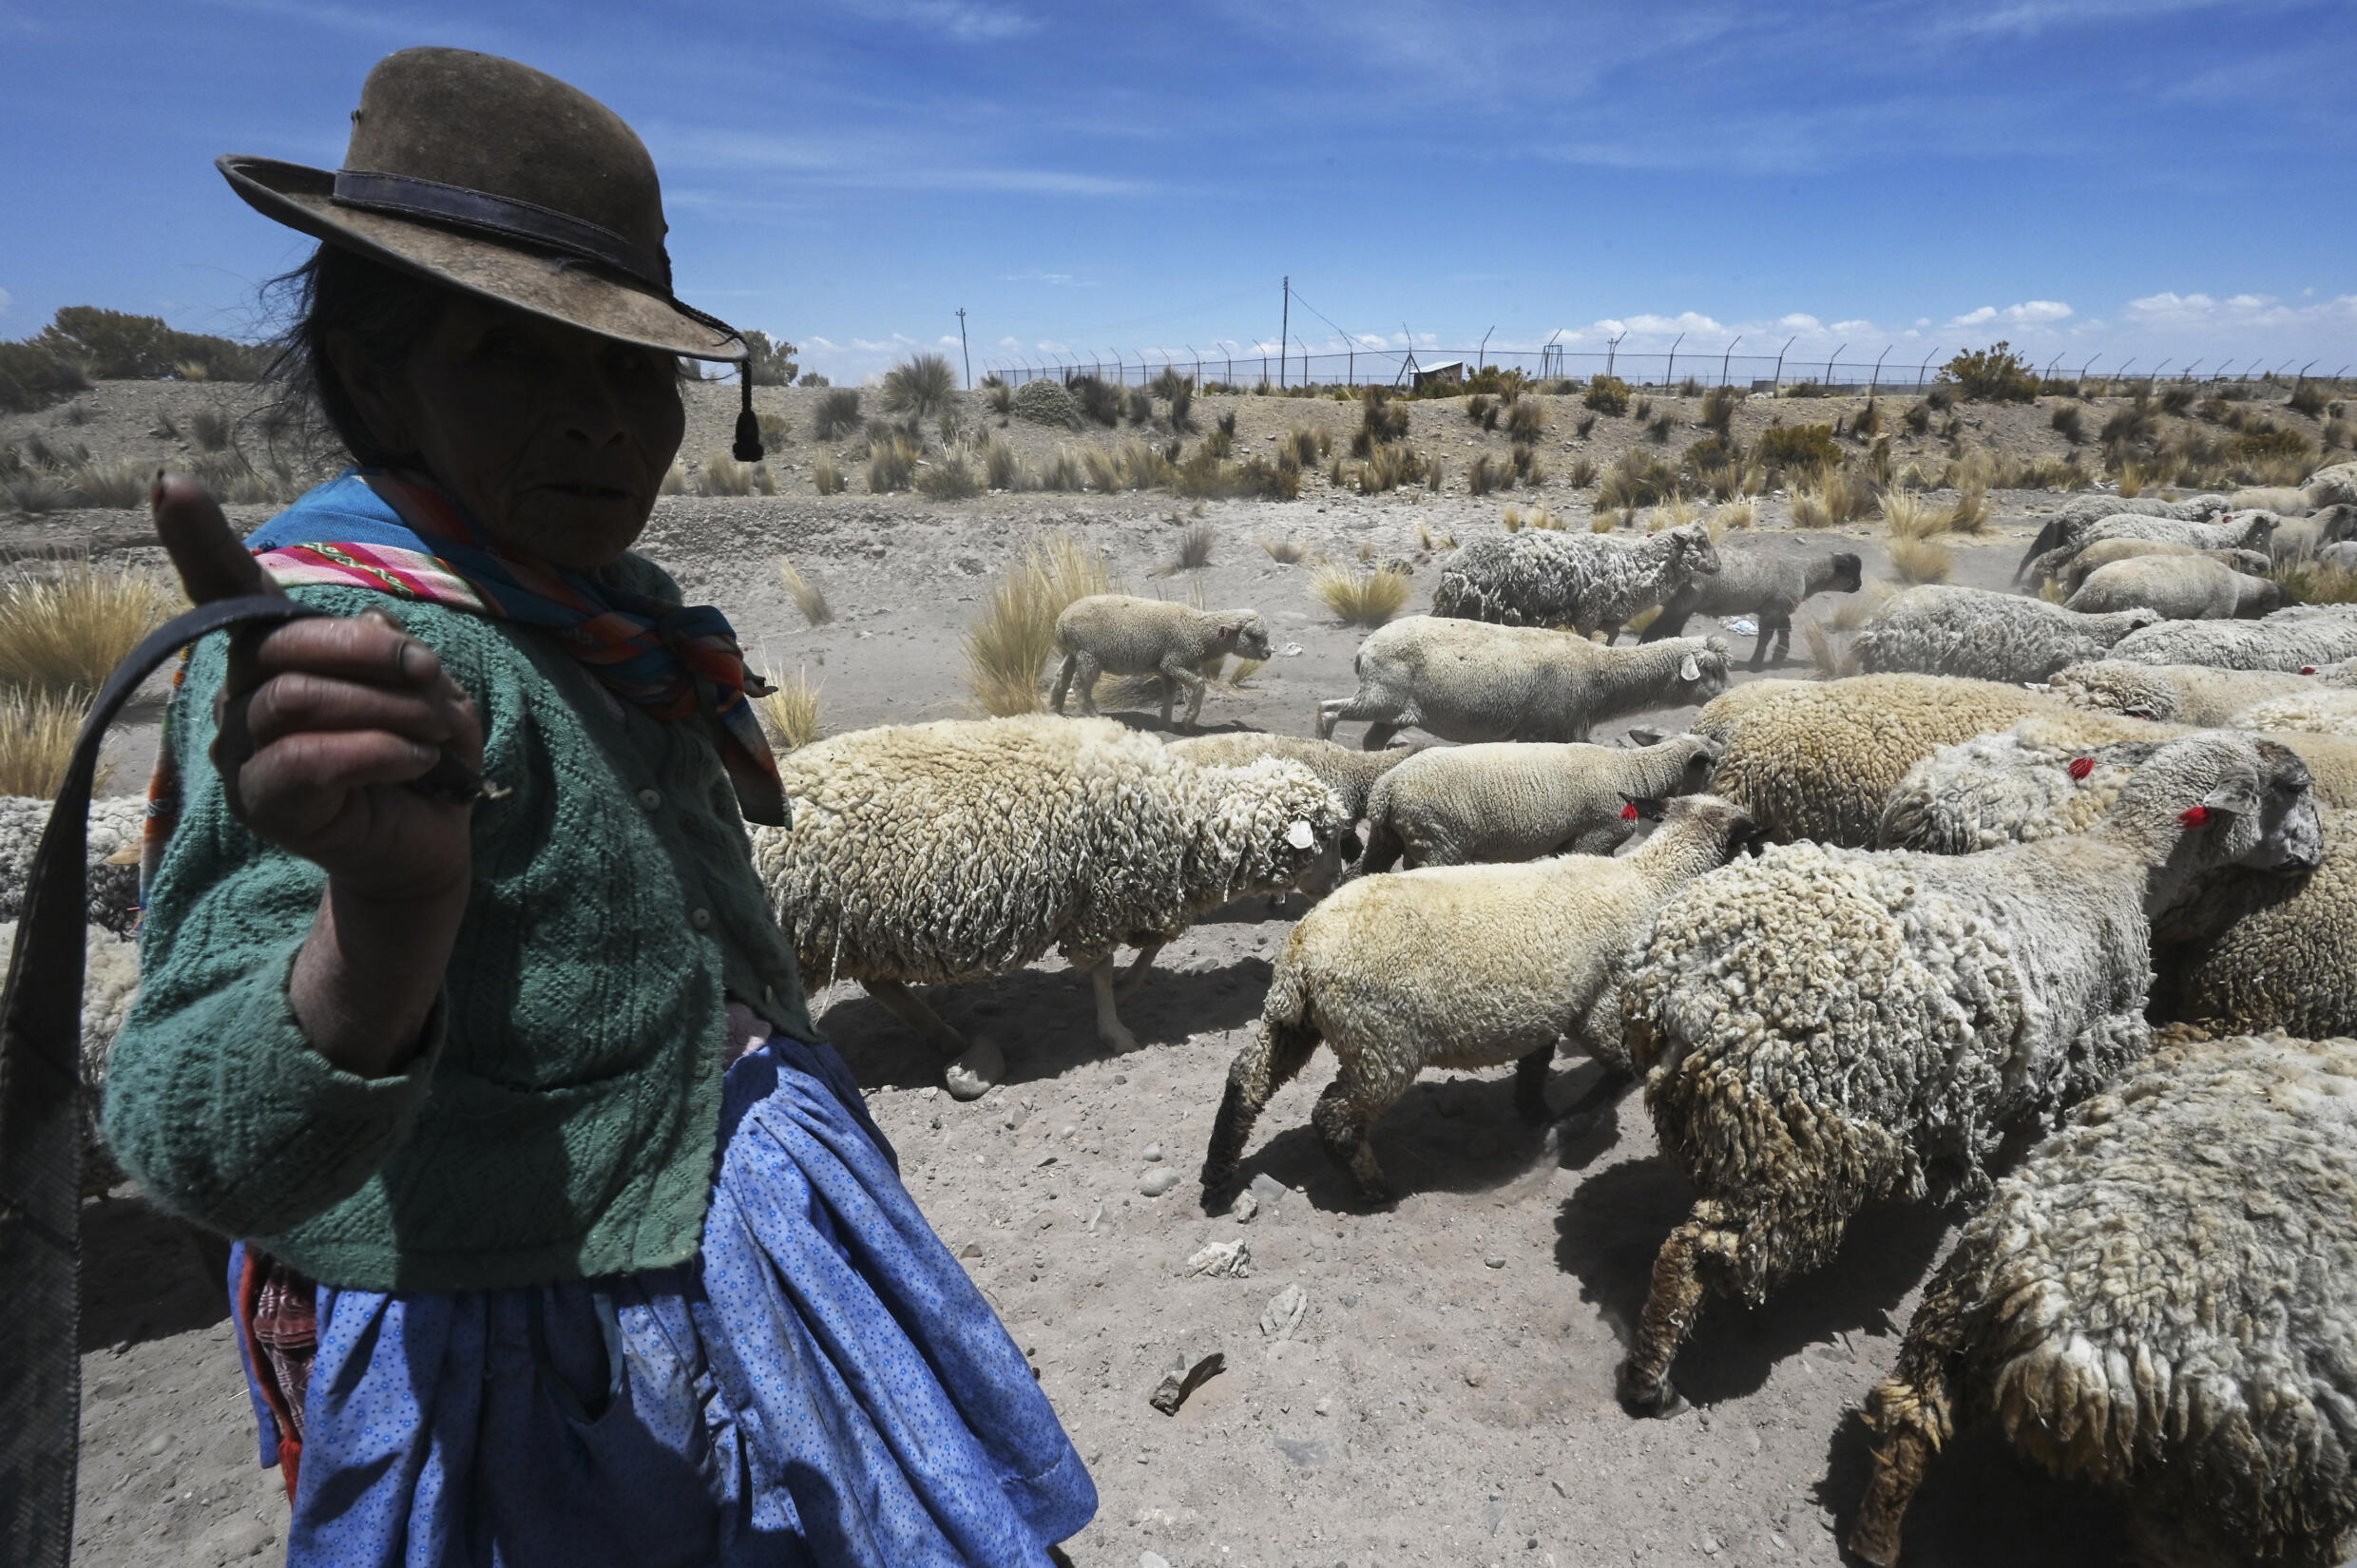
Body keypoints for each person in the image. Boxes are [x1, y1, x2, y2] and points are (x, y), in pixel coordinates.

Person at [102, 46, 1095, 1567]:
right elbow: (186, 1124)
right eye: (511, 357)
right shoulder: (365, 649)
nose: (599, 423)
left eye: (634, 367)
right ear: (375, 374)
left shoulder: (593, 612)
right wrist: (378, 931)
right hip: (549, 1368)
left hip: (739, 1270)